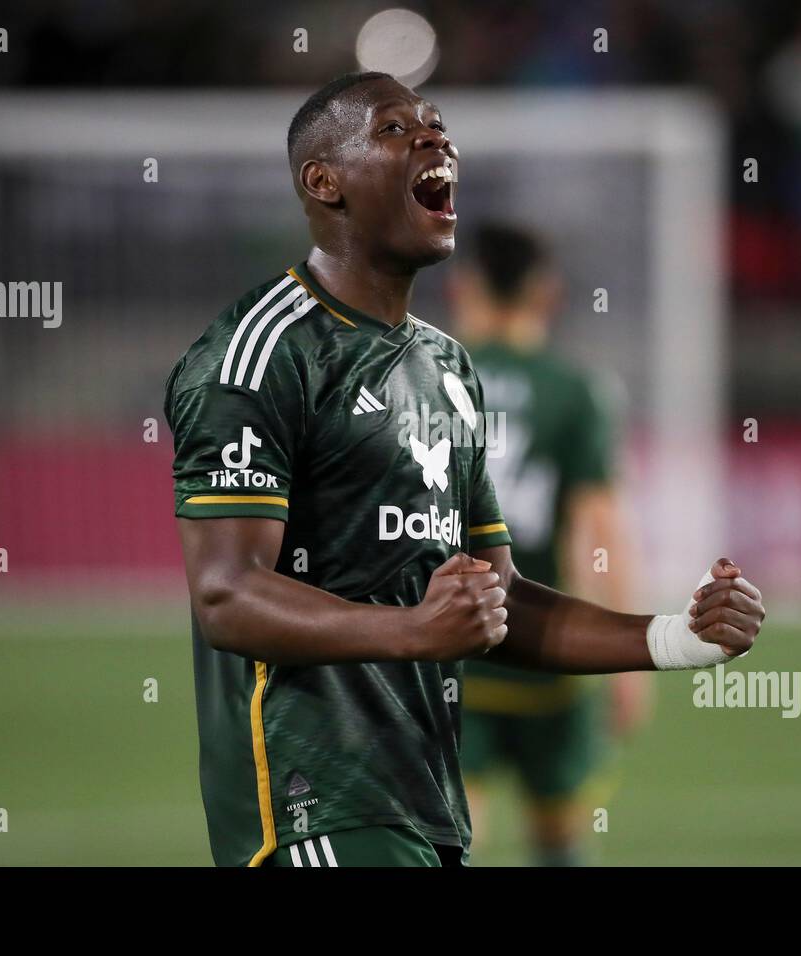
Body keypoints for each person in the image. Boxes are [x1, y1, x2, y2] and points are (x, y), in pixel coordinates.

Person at [165, 72, 765, 867]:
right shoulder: (263, 353)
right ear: (324, 182)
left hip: (428, 801)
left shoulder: (447, 366)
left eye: (438, 124)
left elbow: (500, 595)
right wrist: (413, 629)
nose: (434, 138)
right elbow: (226, 594)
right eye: (394, 129)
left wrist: (673, 638)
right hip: (317, 807)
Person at [449, 222, 650, 866]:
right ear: (548, 292)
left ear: (465, 286)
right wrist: (629, 652)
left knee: (448, 837)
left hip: (451, 651)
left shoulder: (425, 382)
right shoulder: (577, 393)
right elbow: (603, 532)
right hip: (550, 652)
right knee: (560, 837)